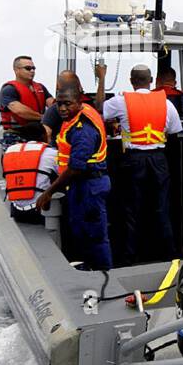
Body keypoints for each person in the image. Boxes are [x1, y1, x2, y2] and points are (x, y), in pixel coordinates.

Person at [101, 64, 183, 265]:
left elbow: (101, 110)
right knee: (161, 208)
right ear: (151, 80)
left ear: (131, 80)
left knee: (131, 210)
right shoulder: (166, 103)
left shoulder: (121, 101)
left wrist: (101, 78)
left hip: (133, 160)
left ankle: (130, 258)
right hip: (158, 159)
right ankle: (169, 255)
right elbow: (174, 130)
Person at [36, 88, 112, 270]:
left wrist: (48, 192)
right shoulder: (72, 121)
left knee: (95, 233)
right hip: (80, 186)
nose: (62, 108)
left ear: (79, 103)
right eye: (59, 104)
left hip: (90, 186)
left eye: (67, 104)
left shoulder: (82, 131)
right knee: (80, 229)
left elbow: (76, 168)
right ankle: (89, 266)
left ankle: (103, 272)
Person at [2, 122, 59, 224]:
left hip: (16, 211)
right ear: (43, 135)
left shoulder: (9, 151)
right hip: (40, 211)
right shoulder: (52, 153)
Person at [0, 56, 52, 146]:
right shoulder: (9, 89)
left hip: (38, 133)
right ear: (16, 70)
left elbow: (52, 104)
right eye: (28, 68)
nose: (32, 71)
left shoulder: (40, 87)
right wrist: (44, 118)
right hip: (17, 133)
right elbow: (20, 111)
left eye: (33, 68)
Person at [42, 66, 106, 141]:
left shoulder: (55, 108)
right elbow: (99, 107)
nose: (63, 108)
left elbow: (46, 132)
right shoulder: (54, 109)